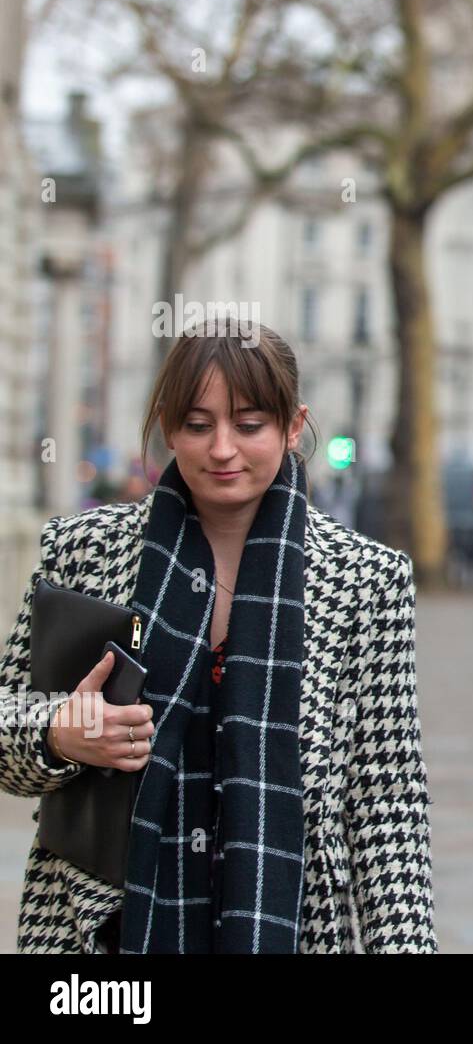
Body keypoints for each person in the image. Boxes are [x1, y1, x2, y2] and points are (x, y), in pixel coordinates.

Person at [0, 321, 437, 953]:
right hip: (103, 933)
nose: (222, 449)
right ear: (167, 426)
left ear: (293, 425)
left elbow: (387, 800)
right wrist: (60, 734)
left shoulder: (367, 579)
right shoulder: (82, 551)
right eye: (198, 425)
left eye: (250, 424)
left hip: (290, 926)